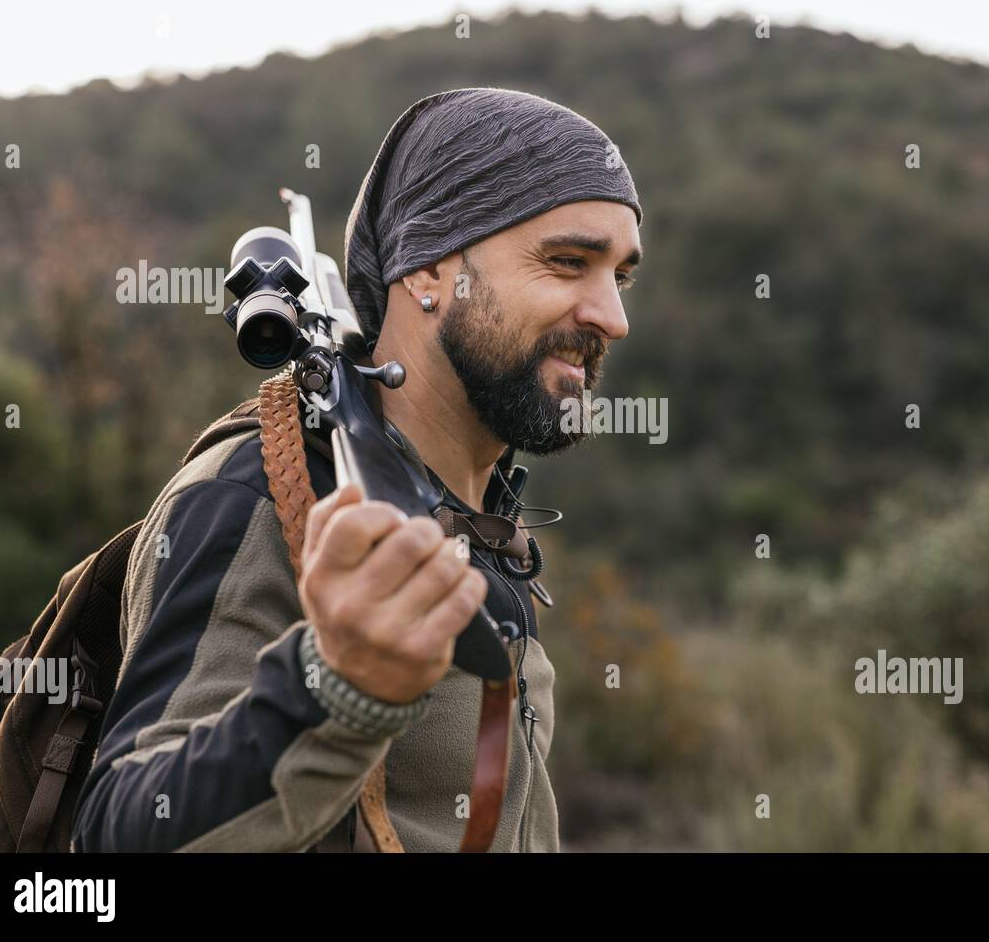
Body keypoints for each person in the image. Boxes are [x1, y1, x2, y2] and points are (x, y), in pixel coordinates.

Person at [70, 87, 644, 852]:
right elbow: (117, 840)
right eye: (568, 262)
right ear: (429, 270)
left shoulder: (490, 532)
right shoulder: (259, 496)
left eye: (620, 276)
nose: (612, 315)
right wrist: (336, 686)